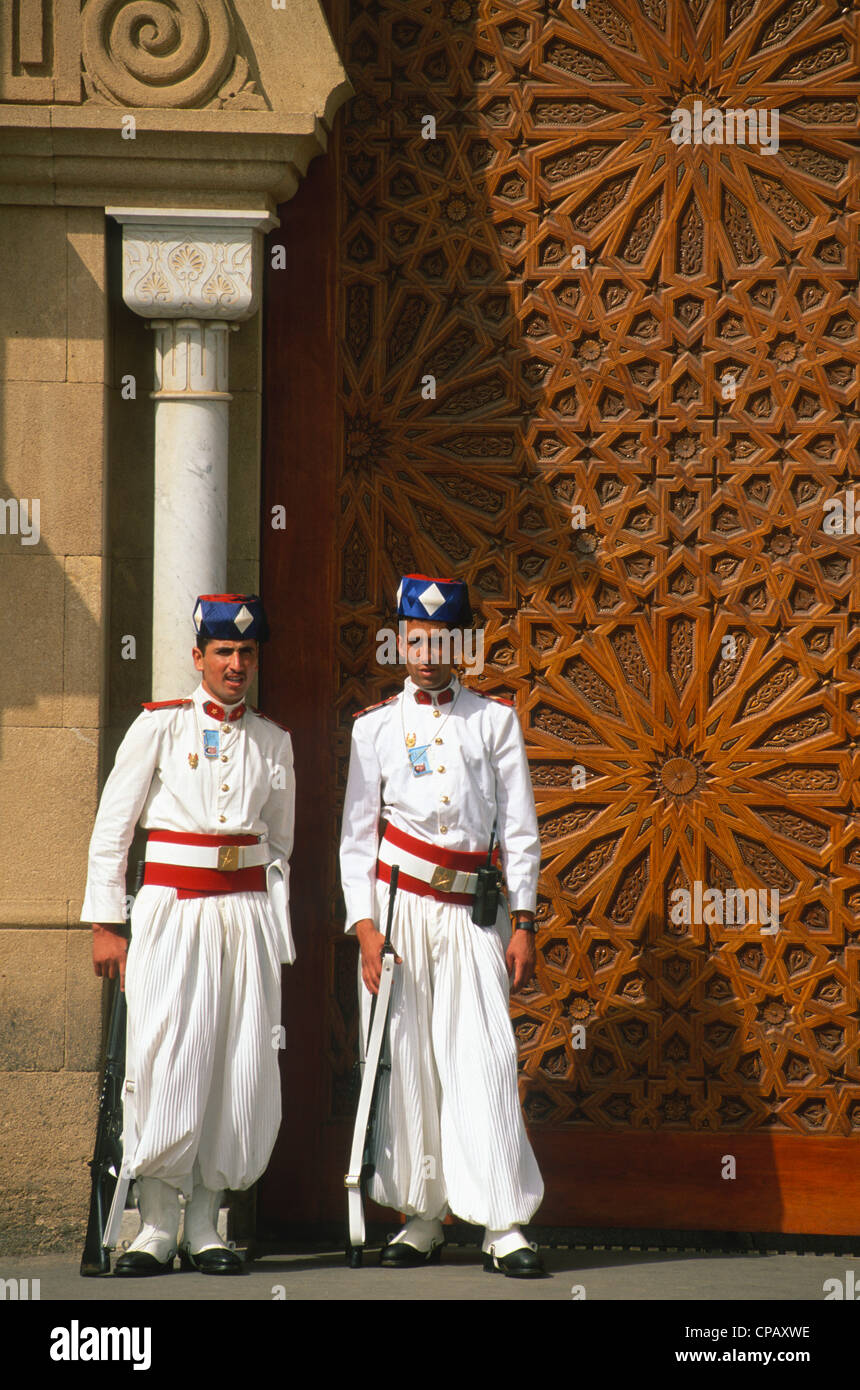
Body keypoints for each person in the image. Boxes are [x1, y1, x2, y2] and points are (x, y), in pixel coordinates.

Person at [82, 594, 295, 1276]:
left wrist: (269, 917)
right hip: (172, 914)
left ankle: (206, 1223)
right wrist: (107, 923)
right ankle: (156, 1229)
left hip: (246, 920)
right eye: (224, 652)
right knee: (166, 1054)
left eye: (248, 653)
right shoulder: (160, 726)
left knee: (237, 1064)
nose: (237, 665)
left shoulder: (273, 740)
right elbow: (114, 827)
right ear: (198, 656)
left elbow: (281, 841)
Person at [339, 574, 545, 1277]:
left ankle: (503, 1222)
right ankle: (420, 1215)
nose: (428, 652)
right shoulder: (373, 727)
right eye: (416, 638)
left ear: (462, 644)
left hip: (469, 912)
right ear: (399, 640)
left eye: (442, 639)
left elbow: (519, 831)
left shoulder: (494, 721)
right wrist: (365, 928)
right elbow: (355, 841)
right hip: (398, 915)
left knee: (483, 1059)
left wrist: (524, 921)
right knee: (410, 1067)